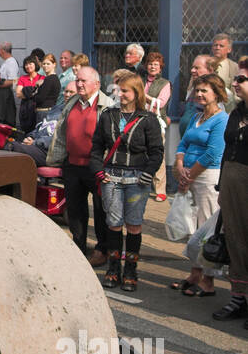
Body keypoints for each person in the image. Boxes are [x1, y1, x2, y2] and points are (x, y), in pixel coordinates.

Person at [90, 73, 163, 291]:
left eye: (125, 91)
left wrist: (148, 173)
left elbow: (157, 152)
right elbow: (96, 147)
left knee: (133, 224)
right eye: (118, 90)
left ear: (136, 93)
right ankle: (113, 269)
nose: (120, 94)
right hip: (111, 177)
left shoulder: (148, 119)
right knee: (113, 223)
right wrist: (98, 171)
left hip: (137, 179)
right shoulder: (107, 115)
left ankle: (130, 271)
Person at [46, 66, 114, 264]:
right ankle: (78, 245)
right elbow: (60, 132)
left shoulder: (107, 105)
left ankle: (102, 249)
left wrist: (106, 167)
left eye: (84, 81)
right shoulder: (72, 103)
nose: (80, 84)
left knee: (102, 210)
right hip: (73, 165)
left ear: (97, 84)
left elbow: (112, 140)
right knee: (75, 210)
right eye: (78, 80)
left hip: (97, 167)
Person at [170, 74, 228, 297]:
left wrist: (189, 176)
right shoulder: (197, 116)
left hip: (206, 178)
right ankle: (194, 274)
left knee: (207, 230)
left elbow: (213, 152)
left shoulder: (221, 120)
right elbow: (183, 142)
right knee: (192, 229)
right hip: (190, 175)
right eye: (197, 90)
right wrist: (178, 163)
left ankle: (208, 280)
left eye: (205, 90)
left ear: (217, 93)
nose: (199, 94)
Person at [211, 67, 248, 325]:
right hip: (233, 181)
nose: (235, 83)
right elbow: (228, 149)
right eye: (235, 78)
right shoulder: (236, 112)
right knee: (235, 239)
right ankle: (238, 299)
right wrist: (222, 185)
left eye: (242, 79)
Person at [13, 80, 78, 165]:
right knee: (6, 144)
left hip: (49, 153)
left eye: (71, 92)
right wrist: (31, 137)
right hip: (36, 145)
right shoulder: (56, 108)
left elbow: (60, 139)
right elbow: (41, 126)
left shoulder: (75, 113)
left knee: (12, 147)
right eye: (66, 91)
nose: (67, 95)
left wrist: (35, 142)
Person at [144, 51, 171, 200]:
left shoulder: (165, 83)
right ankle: (143, 187)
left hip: (156, 122)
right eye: (150, 63)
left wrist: (143, 96)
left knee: (158, 155)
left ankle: (160, 190)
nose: (152, 66)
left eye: (156, 64)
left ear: (160, 67)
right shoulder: (141, 80)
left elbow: (160, 104)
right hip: (139, 120)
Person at [15, 55, 44, 135]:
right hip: (25, 110)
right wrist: (34, 93)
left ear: (35, 64)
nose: (28, 66)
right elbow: (18, 94)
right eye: (26, 64)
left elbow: (42, 94)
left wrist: (26, 92)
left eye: (30, 63)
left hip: (37, 109)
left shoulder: (42, 78)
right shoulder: (22, 78)